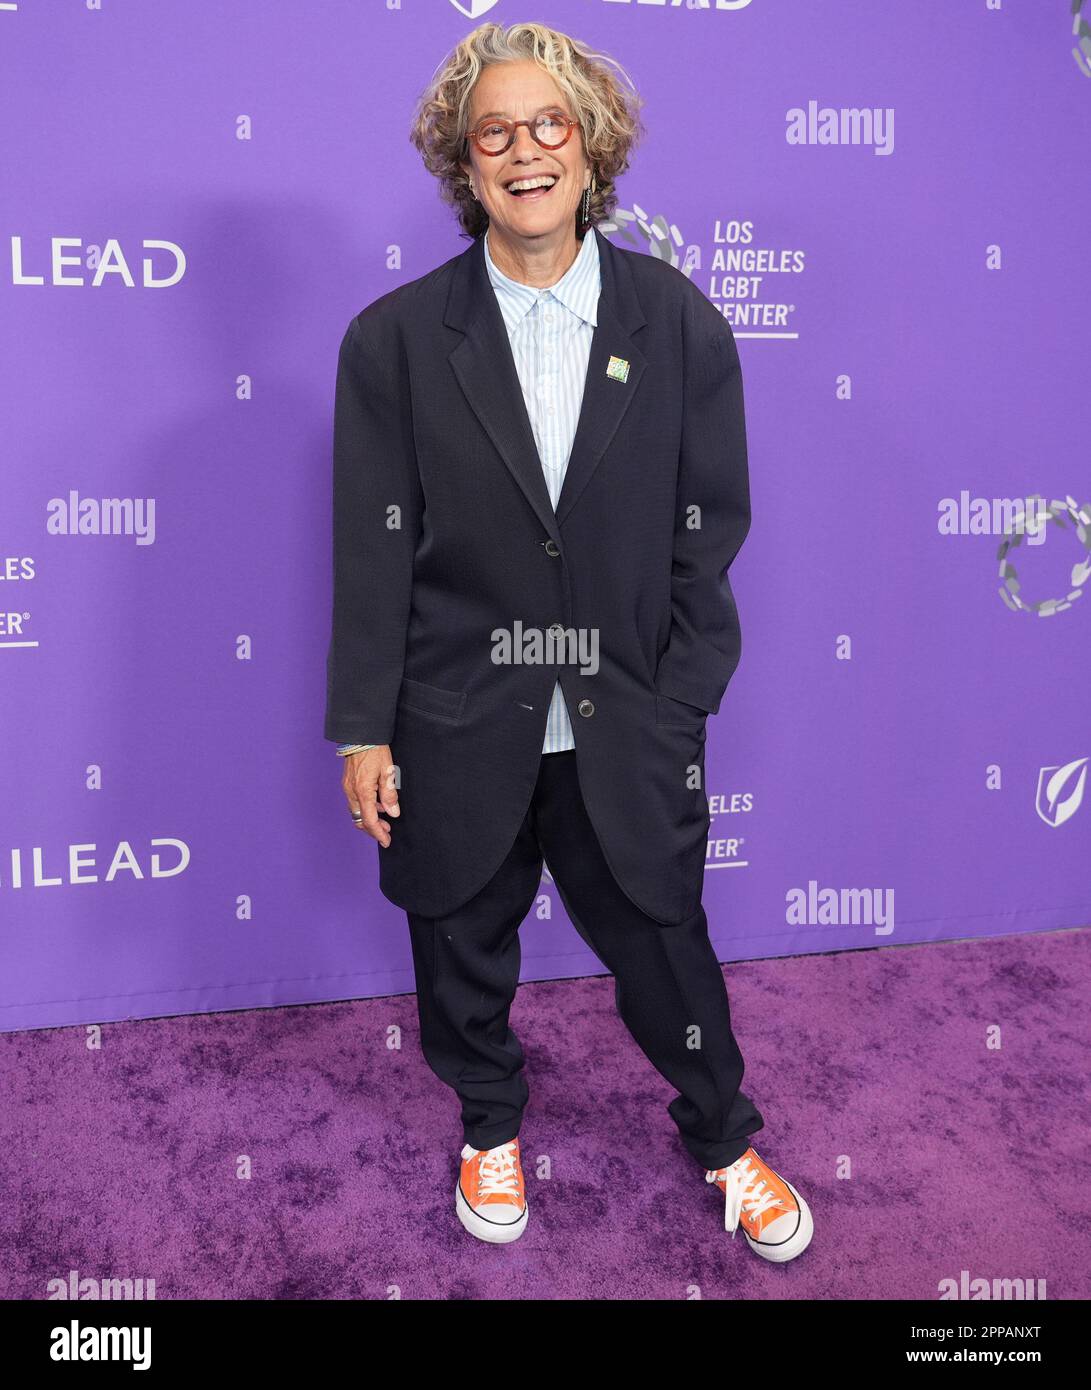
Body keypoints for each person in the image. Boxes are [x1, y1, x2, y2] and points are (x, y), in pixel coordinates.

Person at [325, 21, 812, 1262]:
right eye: (495, 131)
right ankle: (488, 1123)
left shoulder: (679, 323)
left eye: (550, 124)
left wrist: (679, 695)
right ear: (463, 162)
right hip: (456, 715)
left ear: (592, 148)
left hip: (623, 716)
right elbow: (375, 549)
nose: (524, 149)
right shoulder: (390, 340)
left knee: (663, 946)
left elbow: (709, 531)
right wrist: (366, 728)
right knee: (457, 939)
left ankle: (722, 1136)